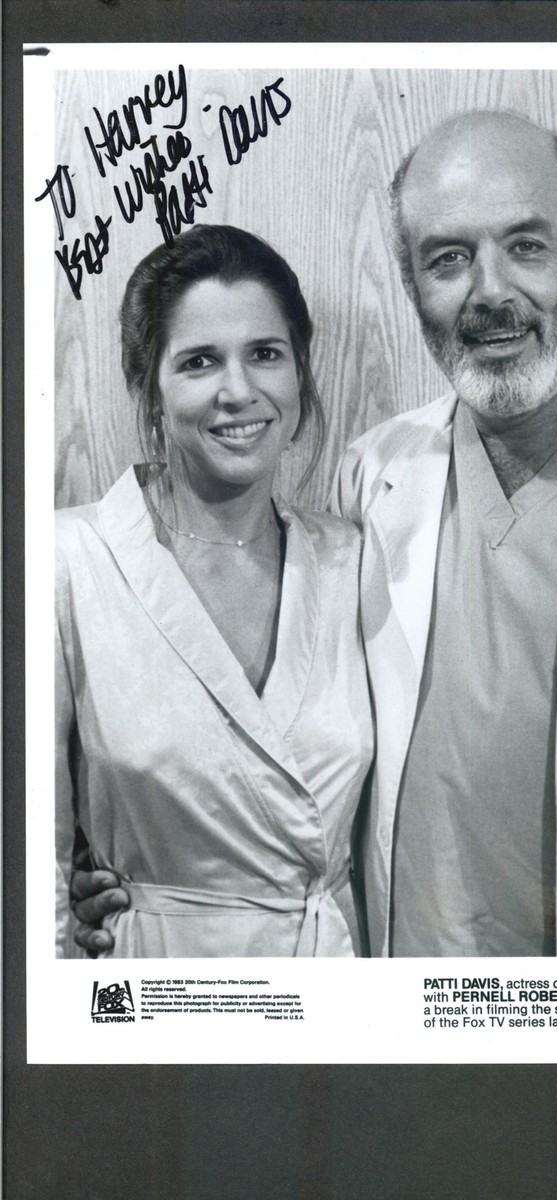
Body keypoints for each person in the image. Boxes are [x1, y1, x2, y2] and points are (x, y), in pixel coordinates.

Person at [73, 111, 557, 957]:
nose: (490, 292)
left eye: (527, 247)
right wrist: (112, 884)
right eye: (449, 259)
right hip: (414, 1009)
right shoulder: (374, 474)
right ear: (412, 286)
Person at [56, 224, 374, 958]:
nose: (239, 391)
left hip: (328, 983)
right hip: (157, 986)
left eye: (265, 354)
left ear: (300, 373)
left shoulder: (352, 560)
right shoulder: (70, 560)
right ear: (150, 390)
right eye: (199, 362)